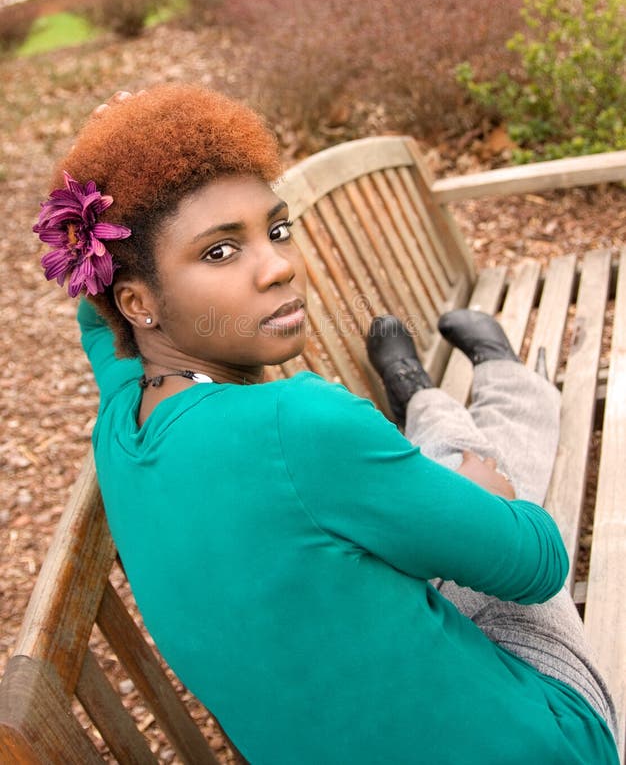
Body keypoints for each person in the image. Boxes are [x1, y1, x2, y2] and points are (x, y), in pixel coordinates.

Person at [34, 84, 618, 765]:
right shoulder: (297, 423)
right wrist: (480, 485)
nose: (280, 265)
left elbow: (95, 310)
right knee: (481, 460)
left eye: (276, 230)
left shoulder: (121, 417)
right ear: (137, 300)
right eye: (220, 252)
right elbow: (540, 565)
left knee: (417, 491)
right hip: (549, 744)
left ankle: (438, 399)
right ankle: (478, 388)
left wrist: (113, 159)